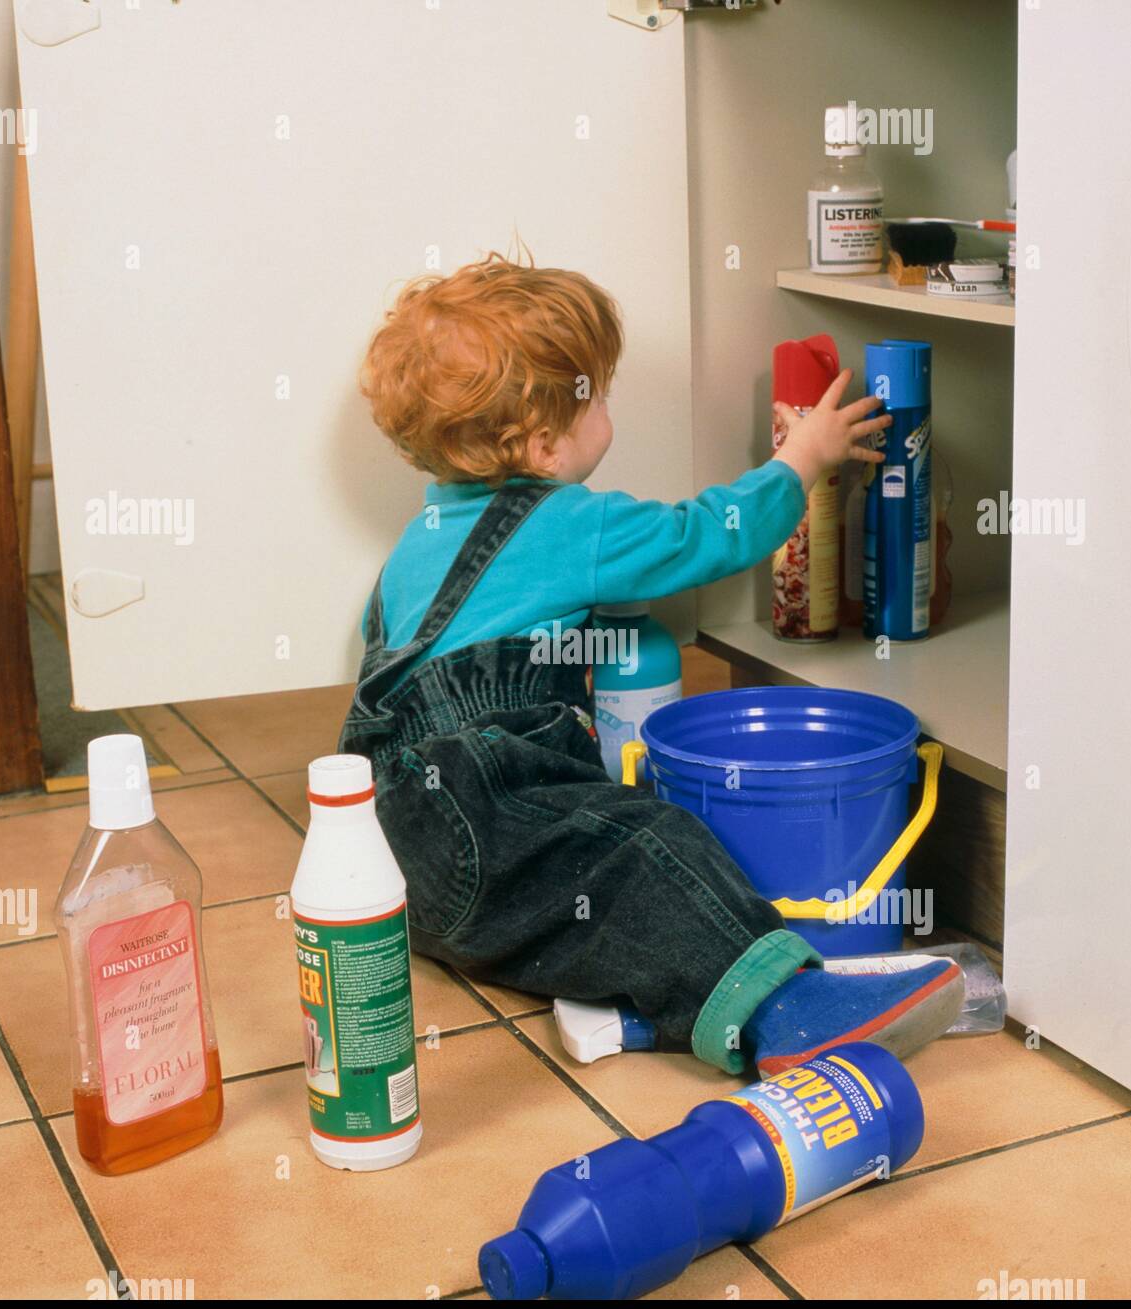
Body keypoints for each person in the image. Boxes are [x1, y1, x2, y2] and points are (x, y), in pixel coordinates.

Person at [340, 253, 961, 1077]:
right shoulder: (568, 523)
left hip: (396, 867)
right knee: (645, 845)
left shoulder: (415, 548)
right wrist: (802, 459)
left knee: (579, 885)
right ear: (544, 443)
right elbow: (706, 533)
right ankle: (788, 1009)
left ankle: (630, 1008)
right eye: (600, 391)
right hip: (479, 808)